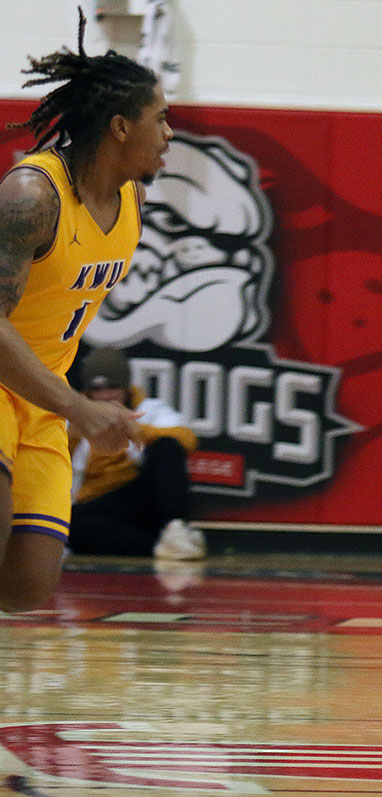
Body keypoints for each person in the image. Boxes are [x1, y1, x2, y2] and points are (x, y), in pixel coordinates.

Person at [0, 11, 171, 610]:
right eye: (160, 118)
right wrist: (79, 406)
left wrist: (64, 405)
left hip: (40, 399)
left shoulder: (133, 201)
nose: (169, 133)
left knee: (25, 588)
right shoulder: (32, 196)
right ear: (121, 127)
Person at [67, 346, 204, 560]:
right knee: (68, 525)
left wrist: (138, 430)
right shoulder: (75, 417)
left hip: (140, 501)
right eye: (97, 389)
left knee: (167, 445)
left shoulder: (150, 410)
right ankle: (162, 548)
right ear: (88, 391)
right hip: (97, 507)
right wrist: (75, 434)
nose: (105, 396)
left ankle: (176, 529)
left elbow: (187, 439)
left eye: (113, 387)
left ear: (126, 387)